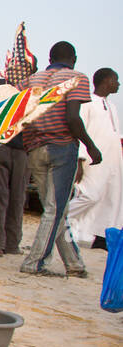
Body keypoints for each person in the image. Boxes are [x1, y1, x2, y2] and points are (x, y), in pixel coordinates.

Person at [19, 41, 101, 277]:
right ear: (73, 58)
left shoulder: (31, 80)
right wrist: (91, 146)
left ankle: (74, 264)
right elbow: (73, 118)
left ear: (50, 57)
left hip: (34, 147)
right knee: (55, 210)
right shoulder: (76, 78)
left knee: (55, 210)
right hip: (61, 147)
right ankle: (35, 262)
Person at [0, 59, 35, 257]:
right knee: (16, 197)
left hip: (1, 148)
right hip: (19, 149)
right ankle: (10, 244)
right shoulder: (31, 91)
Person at [67, 67, 122, 250]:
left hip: (113, 161)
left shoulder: (112, 106)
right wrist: (80, 161)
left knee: (111, 199)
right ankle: (61, 220)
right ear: (106, 81)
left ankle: (98, 237)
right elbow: (81, 133)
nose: (118, 84)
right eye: (116, 80)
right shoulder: (87, 103)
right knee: (90, 195)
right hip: (93, 160)